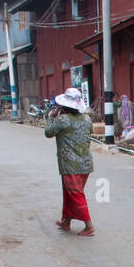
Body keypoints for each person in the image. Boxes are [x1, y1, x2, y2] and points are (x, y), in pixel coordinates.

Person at [45, 86, 95, 236]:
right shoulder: (87, 119)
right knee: (69, 192)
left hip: (70, 164)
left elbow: (48, 133)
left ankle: (89, 226)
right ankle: (66, 221)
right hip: (85, 162)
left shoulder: (62, 120)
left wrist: (51, 117)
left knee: (75, 193)